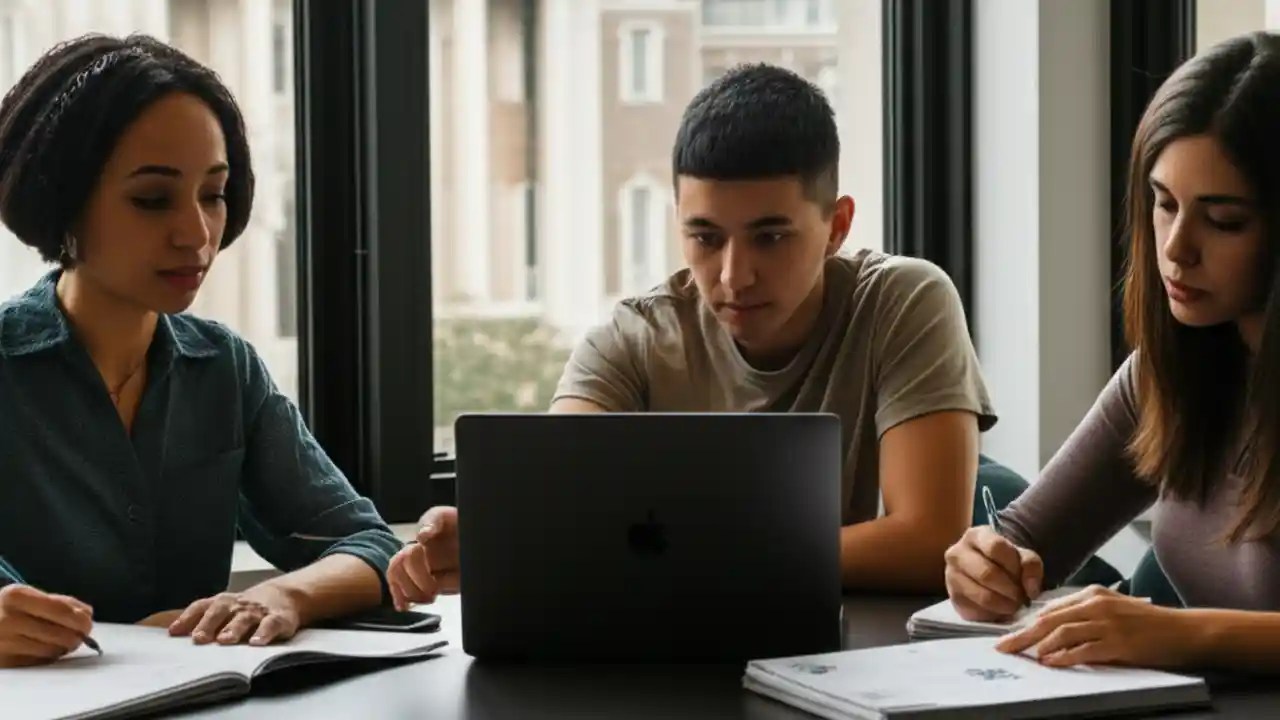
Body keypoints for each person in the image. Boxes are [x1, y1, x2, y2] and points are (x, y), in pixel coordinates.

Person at [388, 63, 997, 610]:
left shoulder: (904, 300)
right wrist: (494, 539)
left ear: (836, 226)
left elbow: (927, 542)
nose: (734, 276)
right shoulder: (631, 338)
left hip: (840, 652)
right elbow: (556, 519)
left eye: (771, 237)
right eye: (705, 237)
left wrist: (682, 559)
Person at [0, 34, 399, 668]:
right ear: (63, 204)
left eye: (213, 193)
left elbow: (367, 543)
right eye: (152, 199)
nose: (197, 233)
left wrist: (282, 596)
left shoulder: (224, 367)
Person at [944, 31, 1280, 673]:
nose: (1176, 248)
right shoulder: (1168, 375)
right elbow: (1024, 538)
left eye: (1224, 220)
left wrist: (1182, 634)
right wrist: (986, 564)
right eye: (1164, 204)